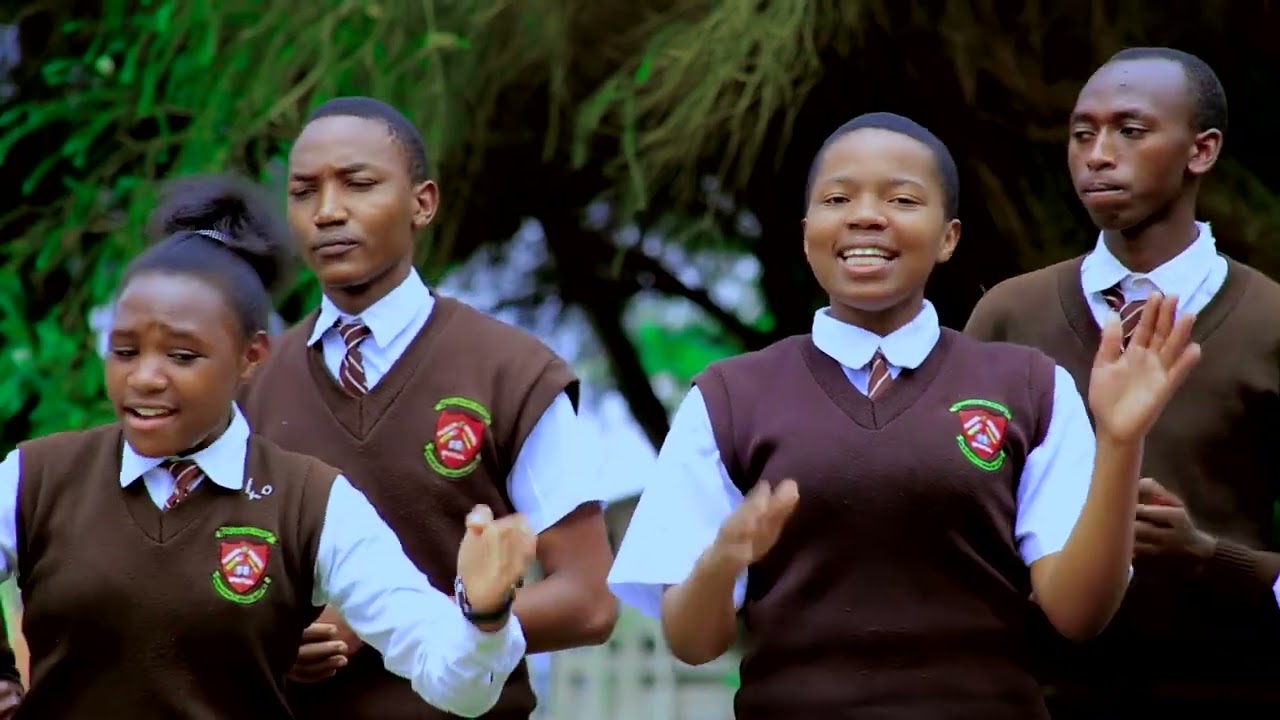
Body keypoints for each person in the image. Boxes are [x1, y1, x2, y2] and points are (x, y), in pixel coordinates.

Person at [607, 112, 1201, 719]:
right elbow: (692, 642)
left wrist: (1121, 442)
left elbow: (1079, 615)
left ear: (949, 237)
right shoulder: (728, 396)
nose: (866, 215)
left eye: (901, 198)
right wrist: (723, 558)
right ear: (808, 230)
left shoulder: (1030, 386)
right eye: (838, 198)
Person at [0, 173, 536, 719]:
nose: (145, 378)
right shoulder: (36, 477)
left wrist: (483, 613)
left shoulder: (309, 502)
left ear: (252, 356)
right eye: (125, 350)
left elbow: (456, 686)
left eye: (182, 356)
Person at [238, 97, 618, 720]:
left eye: (358, 184)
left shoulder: (512, 374)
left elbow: (589, 600)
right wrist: (267, 636)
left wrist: (396, 621)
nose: (328, 211)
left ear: (423, 203)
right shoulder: (249, 386)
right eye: (304, 192)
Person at [964, 47, 1280, 718]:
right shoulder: (1008, 316)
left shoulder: (1271, 324)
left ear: (1202, 150)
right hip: (1037, 699)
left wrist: (1209, 556)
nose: (1097, 155)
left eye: (1129, 131)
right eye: (1082, 134)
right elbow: (959, 518)